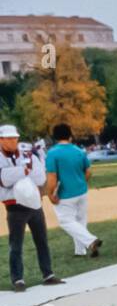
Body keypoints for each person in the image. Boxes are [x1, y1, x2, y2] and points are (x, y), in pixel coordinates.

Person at [0, 124, 64, 292]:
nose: (14, 141)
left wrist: (17, 173)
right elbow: (3, 180)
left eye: (15, 138)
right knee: (16, 245)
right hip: (14, 206)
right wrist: (24, 170)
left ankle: (48, 274)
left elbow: (39, 176)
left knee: (42, 240)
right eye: (9, 138)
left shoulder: (27, 154)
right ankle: (18, 279)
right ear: (1, 140)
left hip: (34, 204)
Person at [44, 123, 102, 258]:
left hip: (65, 194)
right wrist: (82, 183)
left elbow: (52, 176)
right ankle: (80, 251)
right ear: (70, 135)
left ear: (55, 137)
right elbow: (88, 171)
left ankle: (91, 241)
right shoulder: (78, 151)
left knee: (66, 221)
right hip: (81, 191)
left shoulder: (52, 153)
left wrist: (50, 194)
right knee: (80, 221)